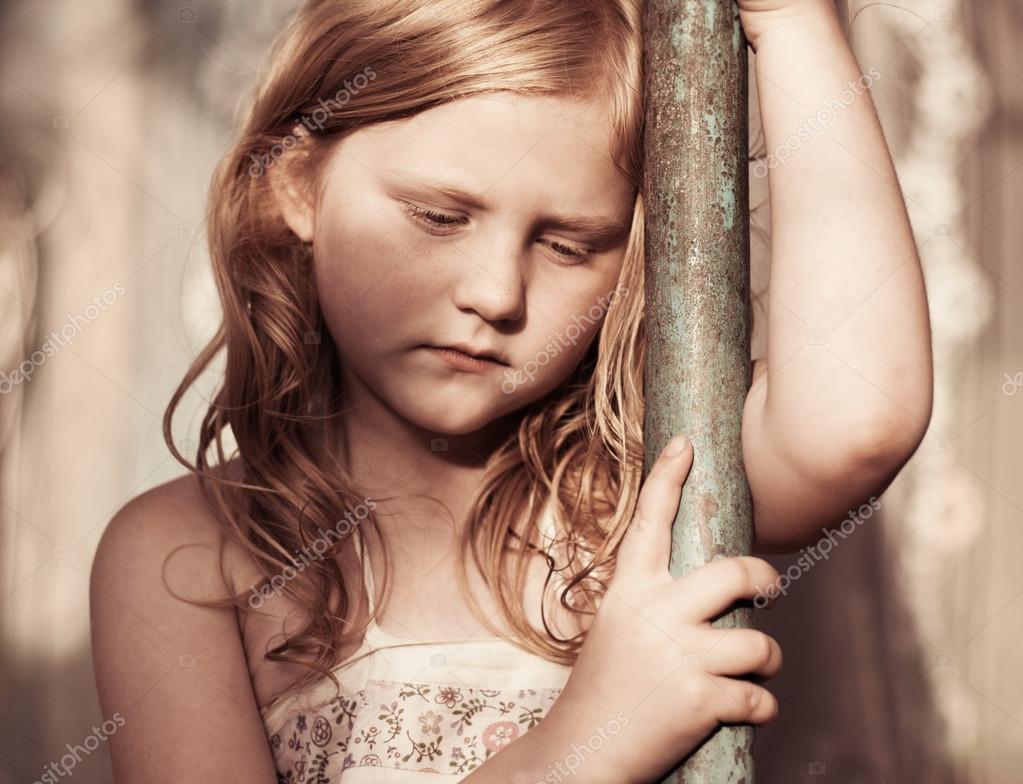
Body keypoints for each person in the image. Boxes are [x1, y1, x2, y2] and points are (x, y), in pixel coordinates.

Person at [89, 0, 933, 781]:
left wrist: (790, 21)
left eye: (568, 245)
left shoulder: (639, 495)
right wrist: (578, 748)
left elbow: (858, 415)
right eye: (439, 217)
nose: (496, 295)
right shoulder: (183, 560)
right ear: (297, 185)